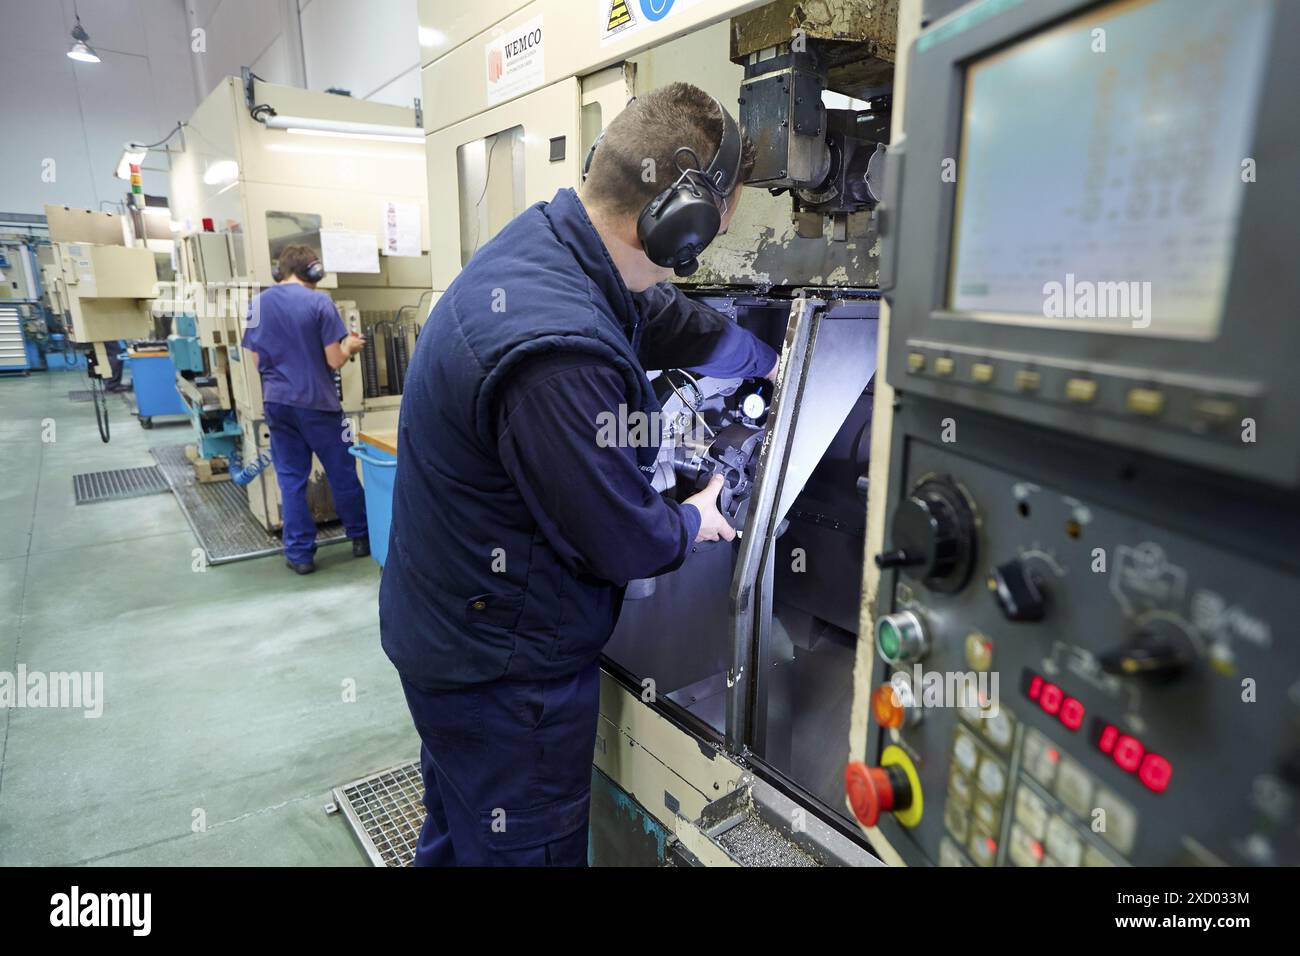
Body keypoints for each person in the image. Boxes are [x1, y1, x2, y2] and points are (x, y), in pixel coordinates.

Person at [380, 83, 779, 866]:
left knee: (460, 830)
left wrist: (757, 358)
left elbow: (655, 314)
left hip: (448, 626)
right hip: (498, 673)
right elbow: (621, 540)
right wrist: (696, 517)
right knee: (519, 846)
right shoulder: (558, 351)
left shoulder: (555, 246)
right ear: (690, 219)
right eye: (731, 206)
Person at [240, 244, 371, 574]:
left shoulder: (256, 304)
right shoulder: (319, 302)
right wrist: (351, 346)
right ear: (313, 271)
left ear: (279, 271)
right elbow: (334, 360)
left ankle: (299, 555)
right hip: (319, 406)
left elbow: (256, 360)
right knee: (342, 472)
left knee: (291, 479)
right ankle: (361, 537)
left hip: (277, 404)